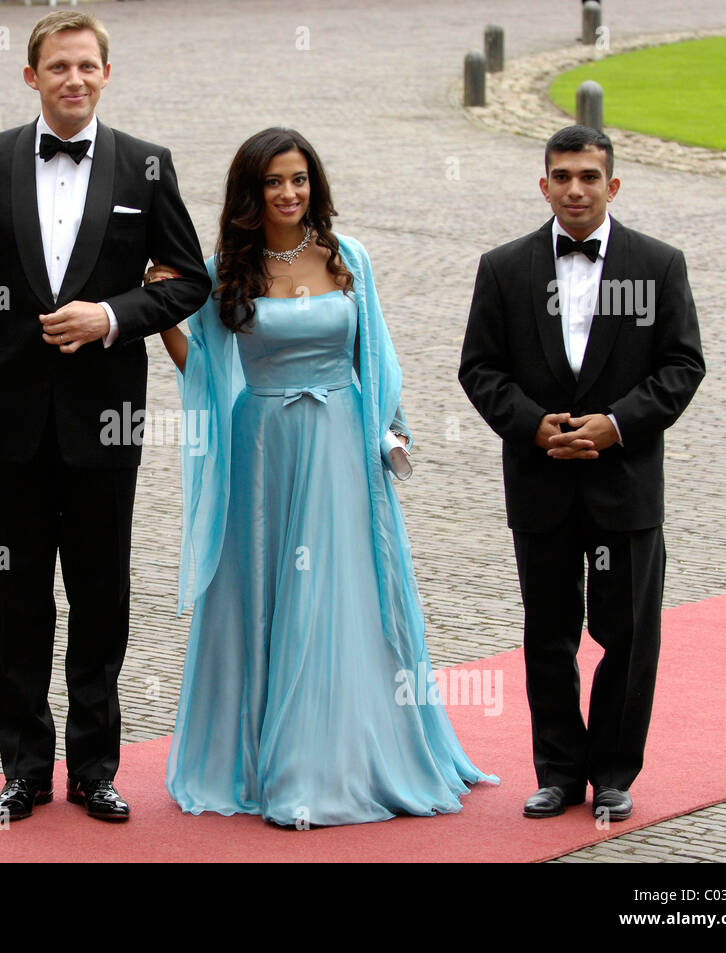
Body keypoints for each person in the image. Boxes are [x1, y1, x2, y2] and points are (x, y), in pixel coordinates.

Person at [155, 128, 496, 827]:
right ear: (251, 192)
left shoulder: (350, 259)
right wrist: (164, 321)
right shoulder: (226, 269)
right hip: (263, 446)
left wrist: (392, 429)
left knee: (340, 594)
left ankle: (334, 759)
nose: (289, 193)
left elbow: (378, 360)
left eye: (300, 179)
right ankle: (252, 756)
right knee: (262, 589)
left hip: (342, 442)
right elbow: (210, 378)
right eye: (274, 182)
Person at [0, 11, 211, 823]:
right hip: (8, 423)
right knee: (16, 598)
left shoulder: (147, 166)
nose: (73, 79)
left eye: (87, 66)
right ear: (32, 77)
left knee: (100, 596)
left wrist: (112, 317)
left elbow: (188, 280)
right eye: (58, 67)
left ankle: (94, 767)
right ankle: (22, 767)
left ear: (106, 74)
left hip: (106, 422)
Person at [459, 125, 704, 821]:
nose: (574, 188)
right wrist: (534, 425)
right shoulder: (504, 267)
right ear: (544, 185)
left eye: (589, 177)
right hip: (540, 484)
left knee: (628, 631)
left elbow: (682, 365)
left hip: (624, 483)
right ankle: (559, 771)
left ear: (612, 185)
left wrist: (616, 423)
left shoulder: (658, 266)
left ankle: (615, 768)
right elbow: (479, 368)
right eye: (562, 176)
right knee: (549, 631)